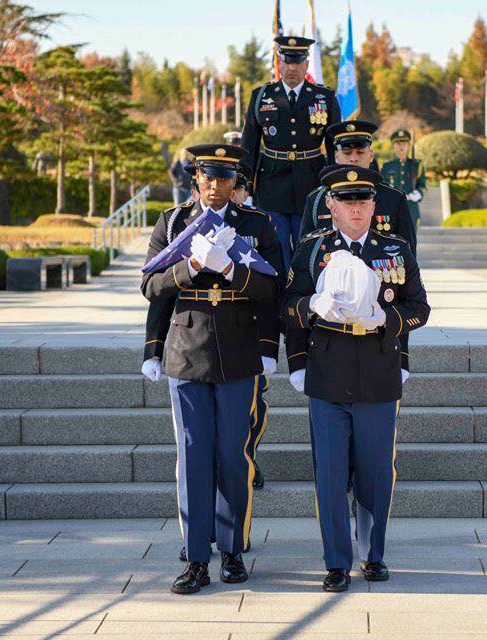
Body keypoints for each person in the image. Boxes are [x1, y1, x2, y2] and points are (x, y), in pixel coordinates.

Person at [141, 143, 284, 595]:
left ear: (236, 181)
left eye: (226, 177)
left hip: (239, 348)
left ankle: (233, 550)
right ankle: (196, 558)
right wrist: (192, 267)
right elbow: (151, 286)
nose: (217, 185)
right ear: (196, 178)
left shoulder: (256, 224)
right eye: (209, 176)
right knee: (193, 456)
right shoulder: (172, 222)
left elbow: (274, 289)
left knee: (232, 456)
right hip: (187, 348)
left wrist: (233, 273)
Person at [283, 165, 430, 592]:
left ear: (373, 204)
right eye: (346, 201)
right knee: (330, 474)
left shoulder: (395, 249)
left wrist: (386, 319)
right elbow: (286, 306)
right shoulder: (312, 249)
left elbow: (420, 307)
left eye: (363, 201)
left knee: (375, 472)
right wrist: (312, 308)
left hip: (378, 367)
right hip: (328, 368)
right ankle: (336, 561)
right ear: (330, 205)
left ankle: (373, 554)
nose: (356, 209)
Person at [241, 35, 341, 267]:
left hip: (311, 181)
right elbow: (249, 145)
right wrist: (245, 183)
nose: (292, 68)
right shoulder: (261, 96)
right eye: (287, 61)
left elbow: (334, 144)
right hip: (271, 184)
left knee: (308, 245)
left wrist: (336, 184)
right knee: (275, 247)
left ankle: (302, 289)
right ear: (280, 63)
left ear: (306, 64)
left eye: (297, 62)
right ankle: (279, 289)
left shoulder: (324, 97)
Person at [299, 120, 417, 254]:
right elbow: (305, 251)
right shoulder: (316, 199)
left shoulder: (394, 197)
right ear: (336, 156)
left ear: (371, 155)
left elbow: (408, 251)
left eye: (360, 152)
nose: (354, 158)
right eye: (347, 153)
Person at [231, 164, 276, 490]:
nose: (233, 193)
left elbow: (273, 280)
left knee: (254, 405)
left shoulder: (257, 223)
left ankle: (249, 456)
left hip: (251, 327)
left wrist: (269, 343)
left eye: (238, 187)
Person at [380, 129, 426, 231]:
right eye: (398, 144)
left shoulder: (417, 165)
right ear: (393, 146)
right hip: (392, 209)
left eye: (404, 144)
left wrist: (418, 194)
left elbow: (422, 185)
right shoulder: (387, 166)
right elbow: (382, 188)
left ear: (408, 146)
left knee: (410, 239)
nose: (401, 147)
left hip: (411, 209)